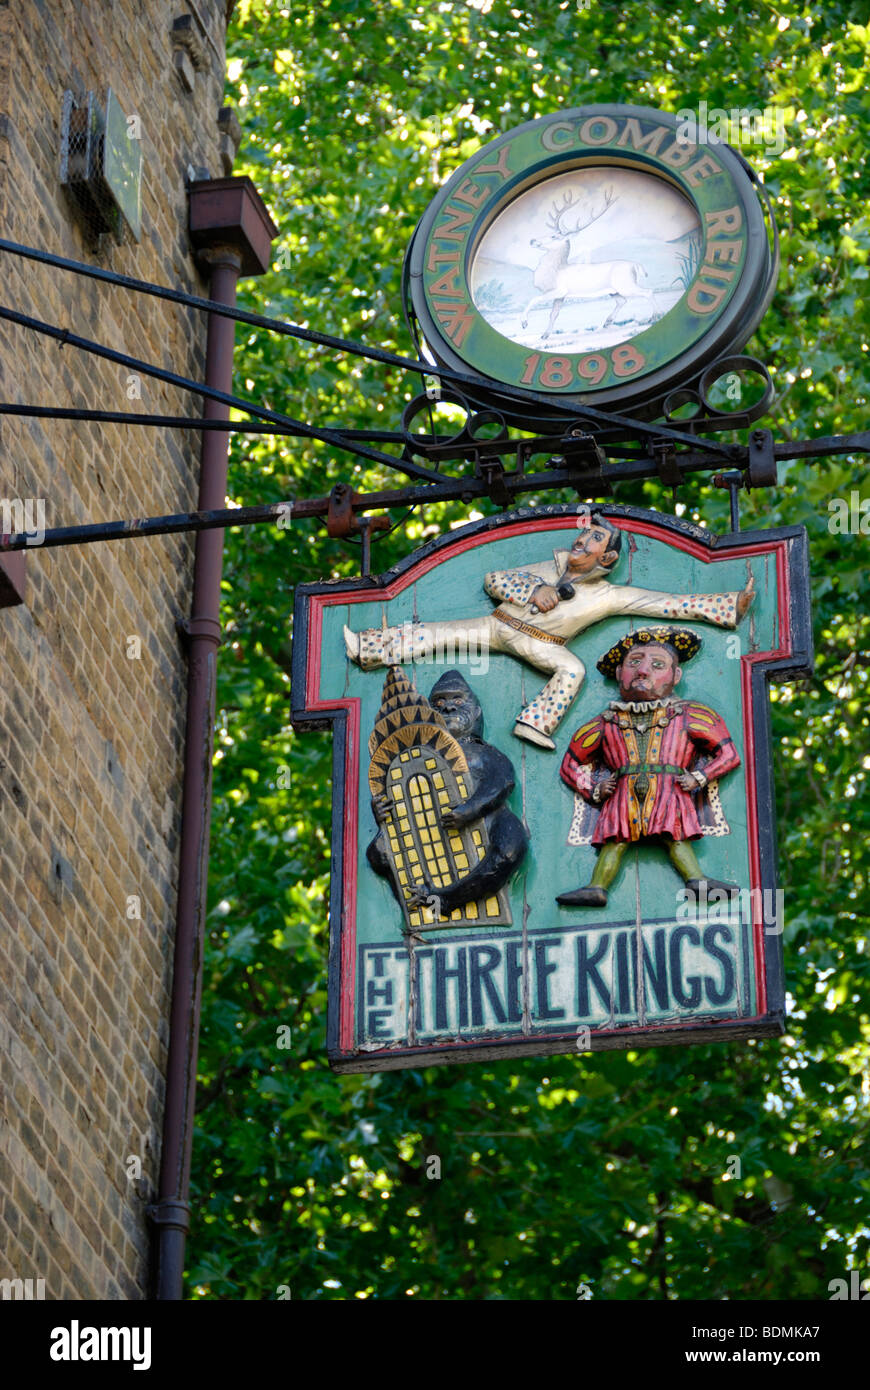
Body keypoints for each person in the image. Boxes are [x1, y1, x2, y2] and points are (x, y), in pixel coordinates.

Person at [344, 514, 755, 751]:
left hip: (542, 645)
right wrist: (531, 589)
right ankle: (367, 647)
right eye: (583, 533)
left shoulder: (607, 595)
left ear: (608, 556)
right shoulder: (549, 566)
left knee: (572, 669)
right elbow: (493, 579)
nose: (582, 540)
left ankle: (535, 723)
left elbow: (666, 604)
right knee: (435, 634)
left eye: (593, 538)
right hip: (499, 625)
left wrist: (725, 606)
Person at [556, 626, 741, 906]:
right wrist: (593, 789)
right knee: (615, 841)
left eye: (657, 665)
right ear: (619, 673)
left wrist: (700, 777)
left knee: (675, 836)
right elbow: (570, 763)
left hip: (669, 790)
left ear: (676, 675)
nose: (643, 671)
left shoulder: (690, 714)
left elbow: (728, 754)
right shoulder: (605, 722)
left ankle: (697, 881)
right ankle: (597, 887)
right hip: (623, 794)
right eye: (634, 663)